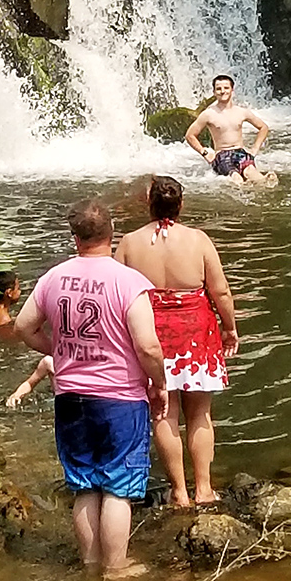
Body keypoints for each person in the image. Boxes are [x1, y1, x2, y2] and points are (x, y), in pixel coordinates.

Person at [14, 199, 167, 580]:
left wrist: (59, 351)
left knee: (84, 484)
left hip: (70, 397)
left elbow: (23, 327)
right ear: (111, 233)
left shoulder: (54, 277)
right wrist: (159, 384)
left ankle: (90, 565)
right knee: (118, 487)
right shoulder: (128, 281)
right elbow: (148, 347)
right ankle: (116, 567)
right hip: (120, 397)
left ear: (75, 237)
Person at [115, 176, 239, 507]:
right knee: (200, 414)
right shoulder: (198, 240)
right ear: (181, 204)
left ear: (149, 203)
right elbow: (221, 292)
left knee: (163, 413)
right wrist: (229, 329)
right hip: (196, 333)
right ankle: (204, 489)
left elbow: (117, 294)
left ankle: (179, 492)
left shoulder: (129, 243)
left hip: (151, 332)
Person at [185, 74, 277, 185]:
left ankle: (265, 181)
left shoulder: (241, 111)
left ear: (232, 90)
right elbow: (190, 135)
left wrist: (255, 149)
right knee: (236, 178)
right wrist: (204, 153)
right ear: (214, 92)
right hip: (222, 155)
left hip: (241, 152)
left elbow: (263, 127)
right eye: (218, 89)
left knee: (252, 173)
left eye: (226, 88)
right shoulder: (208, 114)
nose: (222, 91)